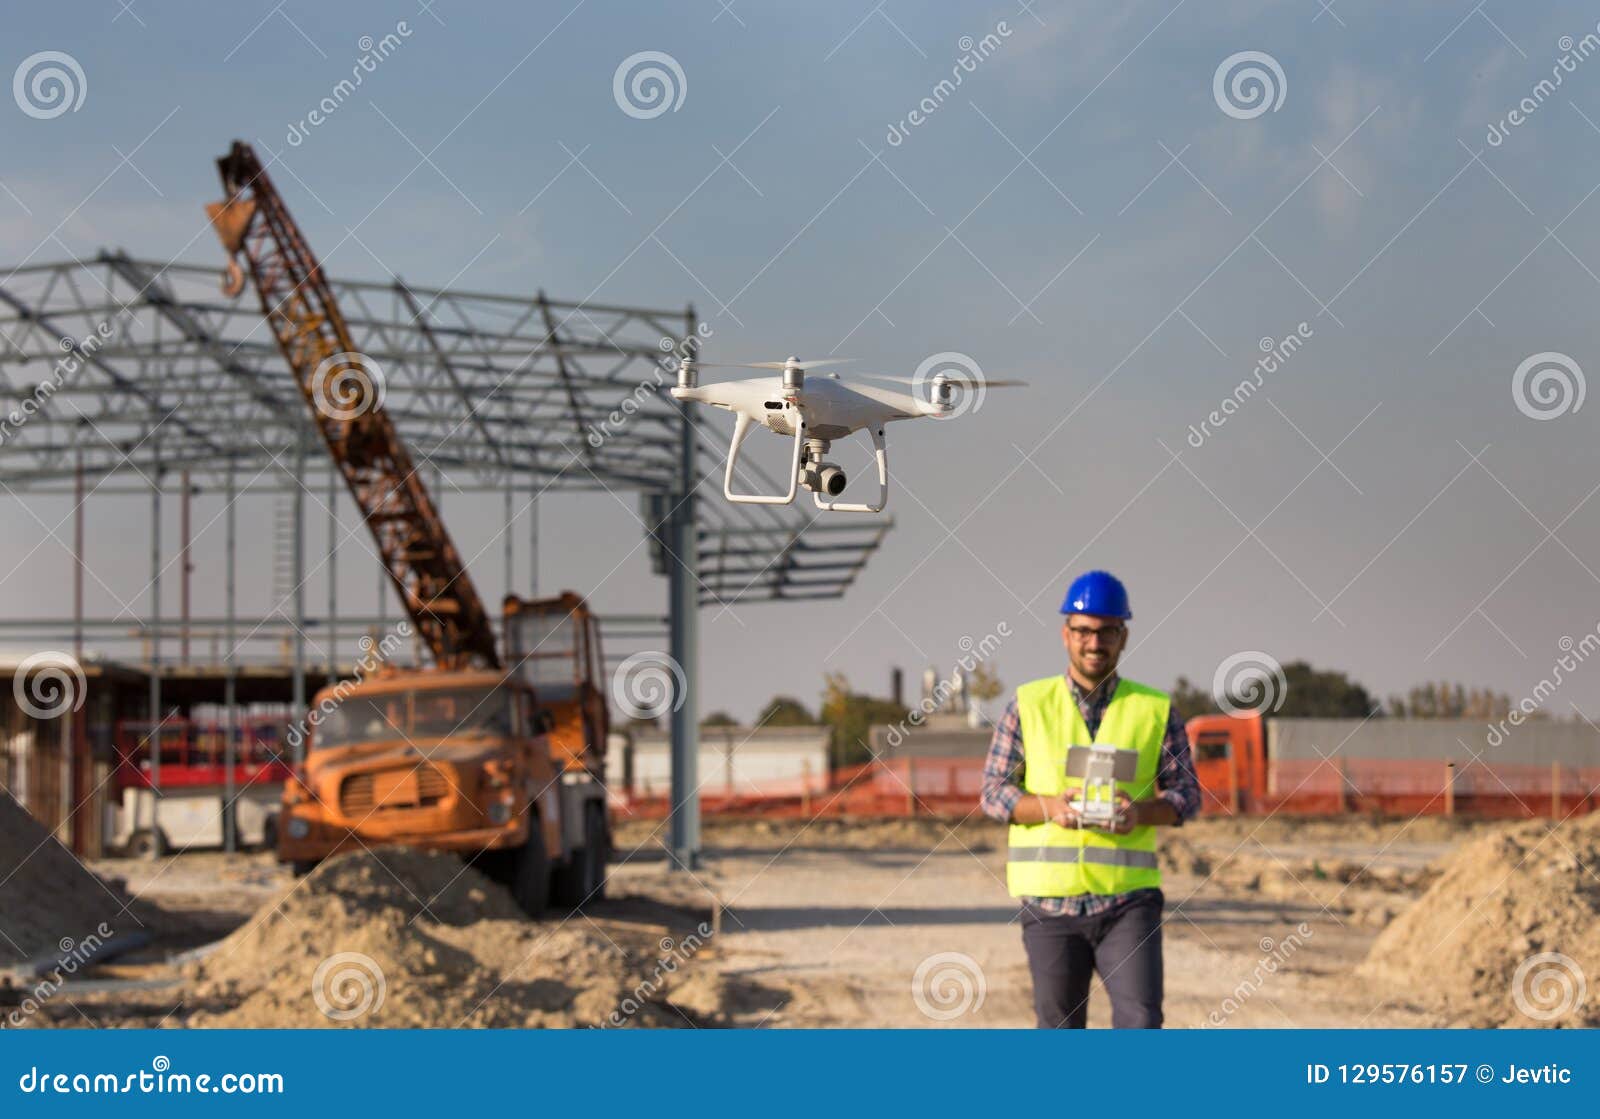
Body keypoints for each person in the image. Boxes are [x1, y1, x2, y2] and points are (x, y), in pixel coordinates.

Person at [980, 570, 1200, 1028]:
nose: (1094, 643)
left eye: (1106, 632)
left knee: (1140, 1023)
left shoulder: (1156, 709)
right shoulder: (1027, 705)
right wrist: (1049, 807)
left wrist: (1138, 813)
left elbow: (1187, 797)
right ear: (1066, 635)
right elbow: (994, 794)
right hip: (1051, 907)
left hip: (1128, 904)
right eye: (1083, 631)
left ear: (1123, 637)